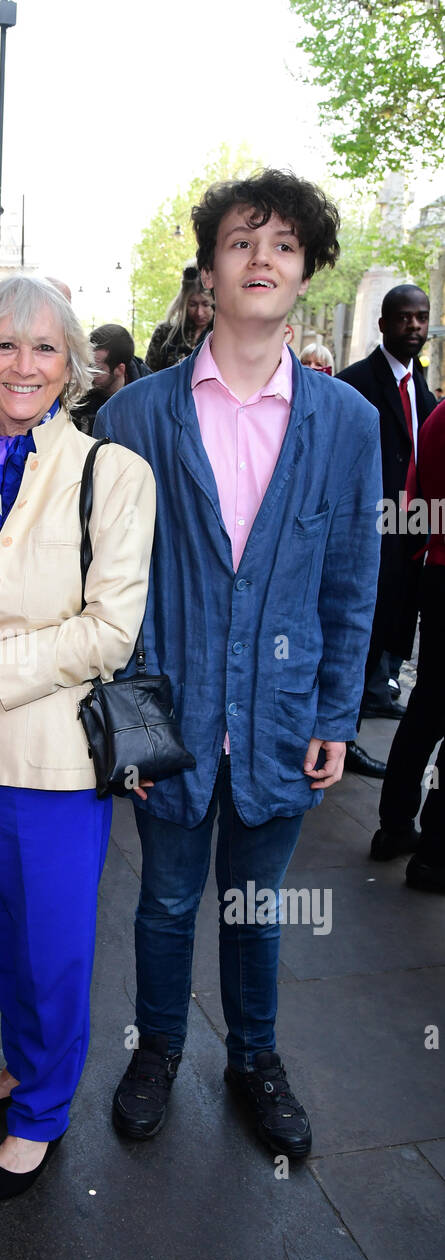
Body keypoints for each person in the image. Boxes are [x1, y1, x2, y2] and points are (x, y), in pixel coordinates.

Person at [97, 169, 381, 1160]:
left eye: (284, 245)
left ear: (304, 272)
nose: (262, 259)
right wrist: (127, 732)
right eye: (240, 242)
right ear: (208, 271)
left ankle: (254, 1057)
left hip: (279, 721)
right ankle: (157, 1049)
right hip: (169, 720)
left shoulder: (347, 424)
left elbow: (350, 585)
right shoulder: (133, 419)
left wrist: (335, 719)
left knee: (255, 909)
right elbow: (110, 594)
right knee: (167, 899)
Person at [0, 276, 155, 1201]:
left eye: (44, 348)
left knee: (51, 944)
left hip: (48, 752)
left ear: (73, 368)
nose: (22, 364)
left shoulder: (112, 474)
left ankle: (41, 1111)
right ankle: (18, 1060)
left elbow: (108, 631)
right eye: (2, 346)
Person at [337, 285, 437, 772]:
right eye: (404, 318)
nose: (414, 327)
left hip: (409, 533)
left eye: (421, 318)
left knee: (389, 630)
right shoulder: (355, 383)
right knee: (357, 629)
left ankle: (374, 694)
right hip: (365, 529)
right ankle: (341, 731)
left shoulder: (425, 391)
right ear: (383, 324)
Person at [370, 399, 445, 892]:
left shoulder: (439, 417)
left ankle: (396, 825)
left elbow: (415, 497)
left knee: (427, 709)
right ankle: (436, 855)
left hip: (436, 573)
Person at [73, 323, 151, 436]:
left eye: (94, 368)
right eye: (84, 363)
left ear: (119, 370)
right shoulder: (76, 391)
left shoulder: (148, 402)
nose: (85, 372)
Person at [145, 263, 213, 372]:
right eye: (192, 304)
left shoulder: (224, 335)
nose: (199, 313)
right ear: (184, 303)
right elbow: (148, 376)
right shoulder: (164, 332)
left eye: (206, 304)